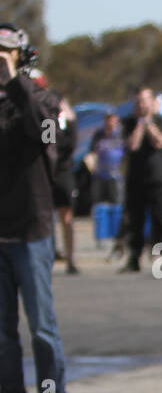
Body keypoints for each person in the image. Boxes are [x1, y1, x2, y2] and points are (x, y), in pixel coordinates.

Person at [0, 22, 72, 393]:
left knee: (42, 327)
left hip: (32, 230)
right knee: (2, 333)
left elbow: (46, 136)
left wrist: (17, 82)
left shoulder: (43, 100)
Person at [121, 85, 162, 273]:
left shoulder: (161, 120)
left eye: (144, 100)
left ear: (152, 102)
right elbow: (132, 145)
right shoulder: (128, 122)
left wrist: (149, 123)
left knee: (160, 218)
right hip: (135, 178)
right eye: (138, 101)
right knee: (135, 220)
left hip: (156, 178)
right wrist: (139, 124)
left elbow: (160, 141)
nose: (141, 104)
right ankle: (134, 257)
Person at [51, 95, 78, 274]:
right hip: (48, 172)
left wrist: (71, 121)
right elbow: (47, 144)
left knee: (66, 217)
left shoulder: (68, 123)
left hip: (64, 173)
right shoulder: (48, 122)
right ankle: (50, 256)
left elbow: (71, 144)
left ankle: (70, 258)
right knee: (47, 218)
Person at [89, 112, 125, 206]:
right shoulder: (98, 134)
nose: (110, 122)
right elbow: (92, 152)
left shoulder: (121, 134)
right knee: (99, 204)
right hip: (100, 175)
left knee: (116, 203)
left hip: (116, 175)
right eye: (107, 119)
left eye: (112, 119)